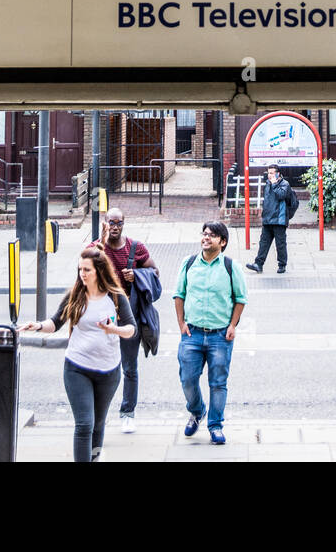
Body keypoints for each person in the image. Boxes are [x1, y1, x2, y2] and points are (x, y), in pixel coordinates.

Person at [21, 246, 135, 462]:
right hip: (77, 367)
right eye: (80, 269)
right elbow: (55, 323)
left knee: (98, 425)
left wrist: (115, 330)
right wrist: (36, 325)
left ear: (99, 271)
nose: (82, 274)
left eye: (87, 270)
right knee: (84, 424)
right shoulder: (76, 295)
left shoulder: (116, 296)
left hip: (108, 371)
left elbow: (131, 329)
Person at [173, 221, 247, 445]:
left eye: (212, 235)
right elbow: (179, 294)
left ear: (222, 242)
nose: (206, 238)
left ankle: (215, 425)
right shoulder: (189, 263)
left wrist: (233, 325)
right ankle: (197, 411)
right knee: (187, 379)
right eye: (204, 234)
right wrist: (181, 323)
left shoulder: (230, 266)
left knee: (218, 383)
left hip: (219, 336)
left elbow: (240, 299)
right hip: (192, 334)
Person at [94, 207, 159, 433]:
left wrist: (137, 273)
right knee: (101, 368)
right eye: (110, 222)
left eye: (118, 222)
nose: (114, 227)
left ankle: (128, 413)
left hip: (128, 318)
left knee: (130, 368)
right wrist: (100, 242)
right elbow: (82, 267)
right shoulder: (97, 247)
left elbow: (155, 272)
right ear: (104, 223)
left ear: (124, 223)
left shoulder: (135, 248)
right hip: (101, 318)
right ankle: (97, 414)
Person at [245, 164, 295, 274]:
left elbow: (281, 195)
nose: (270, 175)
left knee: (280, 244)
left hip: (279, 219)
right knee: (264, 242)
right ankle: (258, 264)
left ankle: (282, 265)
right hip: (268, 218)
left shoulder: (284, 184)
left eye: (272, 173)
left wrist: (275, 184)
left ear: (278, 174)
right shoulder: (268, 184)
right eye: (268, 173)